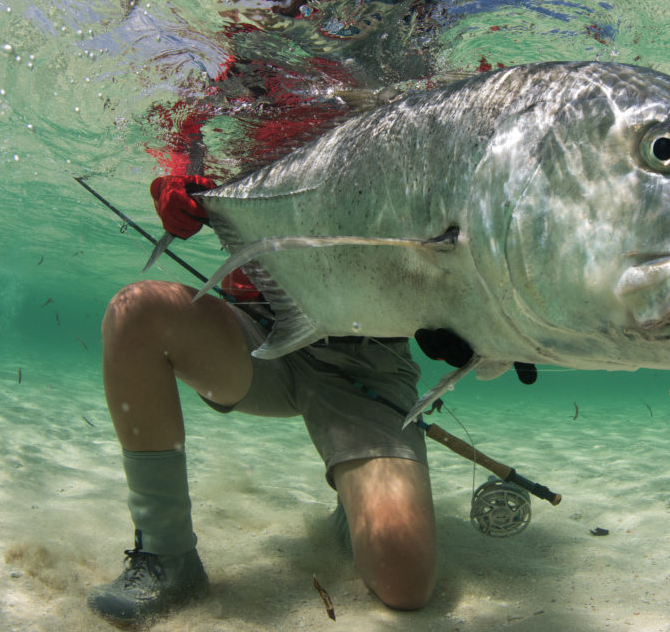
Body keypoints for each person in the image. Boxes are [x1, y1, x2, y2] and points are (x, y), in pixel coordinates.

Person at [86, 174, 437, 625]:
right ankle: (166, 557)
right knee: (135, 311)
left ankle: (355, 502)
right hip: (255, 333)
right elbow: (184, 155)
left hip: (365, 359)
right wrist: (176, 183)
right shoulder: (211, 107)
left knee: (403, 580)